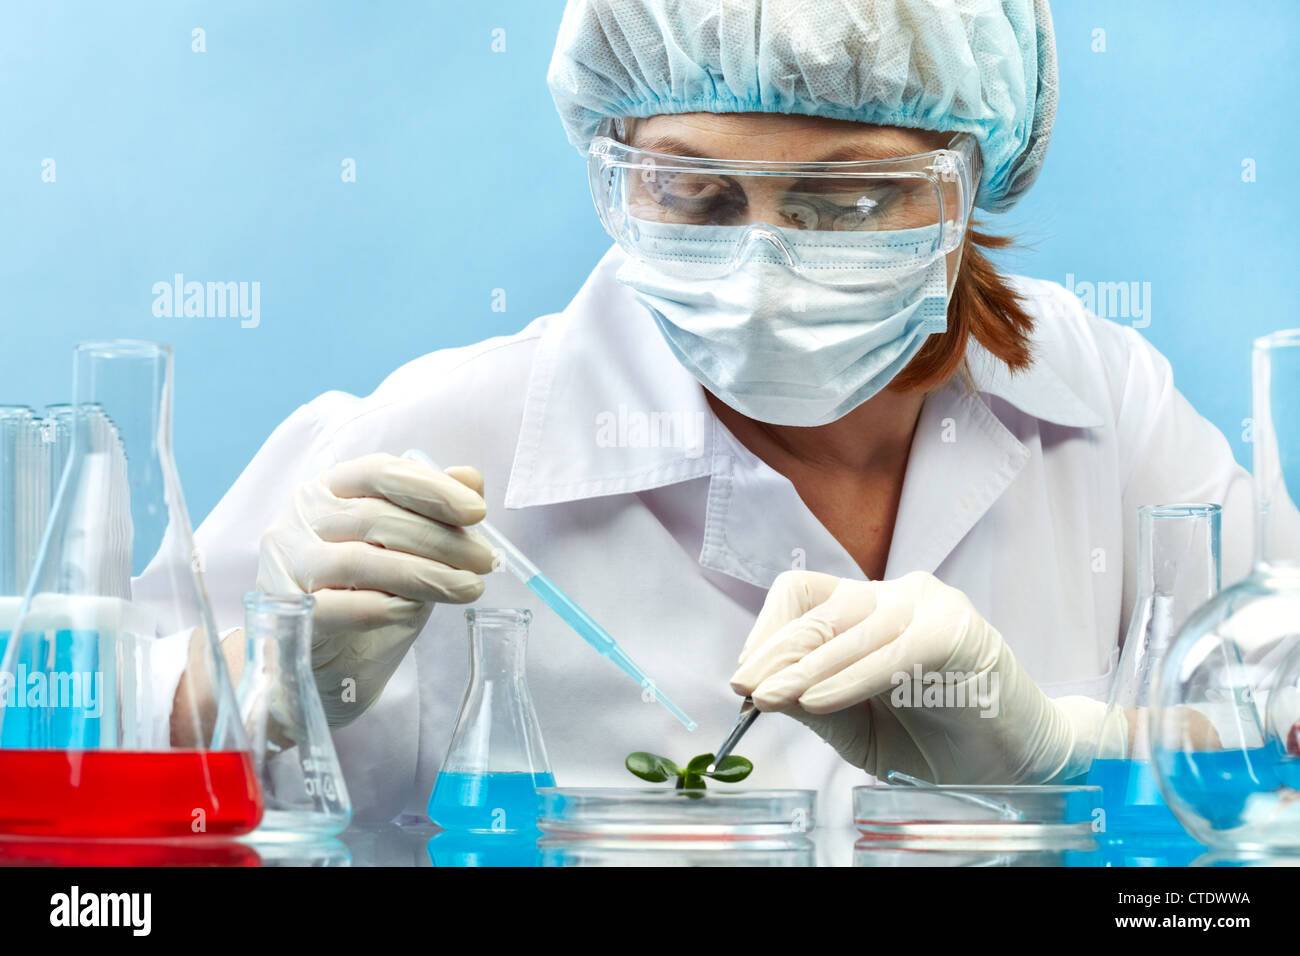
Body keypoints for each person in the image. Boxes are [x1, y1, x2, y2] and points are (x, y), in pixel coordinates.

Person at [165, 0, 1254, 826]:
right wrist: (257, 684)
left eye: (851, 200)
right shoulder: (446, 440)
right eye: (695, 194)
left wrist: (1064, 750)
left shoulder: (1106, 409)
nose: (760, 269)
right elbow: (73, 774)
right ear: (618, 162)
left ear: (971, 174)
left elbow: (1278, 716)